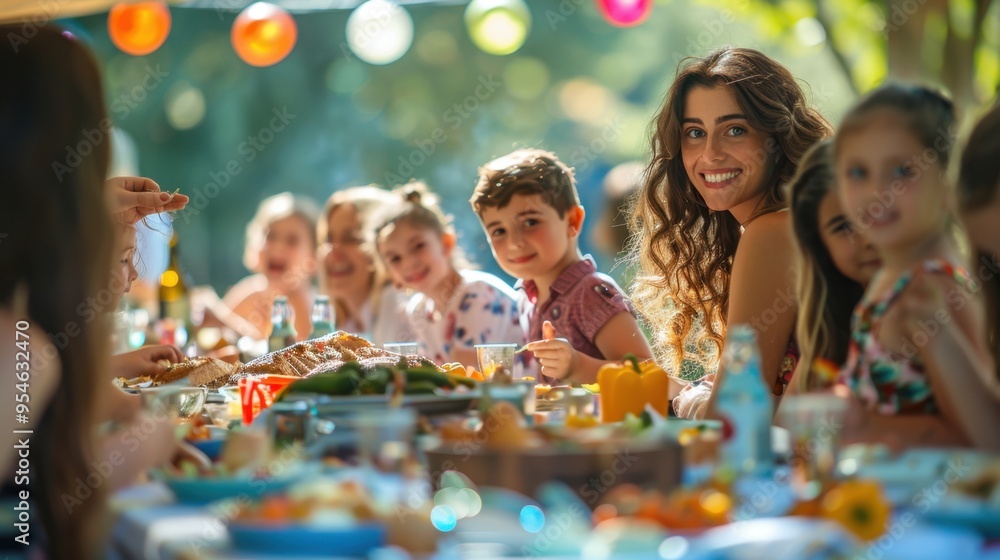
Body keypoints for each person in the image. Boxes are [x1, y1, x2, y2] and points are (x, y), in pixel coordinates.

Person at [630, 47, 832, 418]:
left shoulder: (773, 231)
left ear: (777, 138)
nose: (710, 153)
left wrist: (689, 403)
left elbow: (734, 415)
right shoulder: (797, 221)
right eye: (695, 133)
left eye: (734, 130)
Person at [834, 84, 998, 450]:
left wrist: (863, 426)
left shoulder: (937, 285)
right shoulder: (890, 276)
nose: (879, 190)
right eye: (858, 172)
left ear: (947, 179)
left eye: (902, 171)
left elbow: (978, 434)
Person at [471, 148, 652, 384]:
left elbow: (647, 373)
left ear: (572, 221)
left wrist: (579, 366)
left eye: (530, 222)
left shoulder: (592, 293)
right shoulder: (527, 298)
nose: (515, 242)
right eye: (499, 231)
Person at [372, 182, 523, 367]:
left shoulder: (476, 294)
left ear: (446, 243)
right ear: (389, 274)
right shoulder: (418, 309)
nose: (409, 263)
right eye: (395, 258)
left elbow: (470, 374)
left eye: (418, 246)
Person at [785, 139, 881, 393]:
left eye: (875, 212)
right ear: (821, 246)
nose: (867, 238)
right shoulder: (834, 327)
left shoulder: (934, 302)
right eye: (844, 227)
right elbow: (791, 423)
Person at [319, 185, 414, 346]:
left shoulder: (399, 307)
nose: (333, 252)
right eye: (328, 239)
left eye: (351, 238)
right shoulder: (345, 322)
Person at [219, 192, 320, 341]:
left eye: (292, 240)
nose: (278, 247)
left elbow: (294, 353)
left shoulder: (305, 303)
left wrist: (221, 320)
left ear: (314, 254)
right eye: (270, 236)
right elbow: (218, 335)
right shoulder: (251, 291)